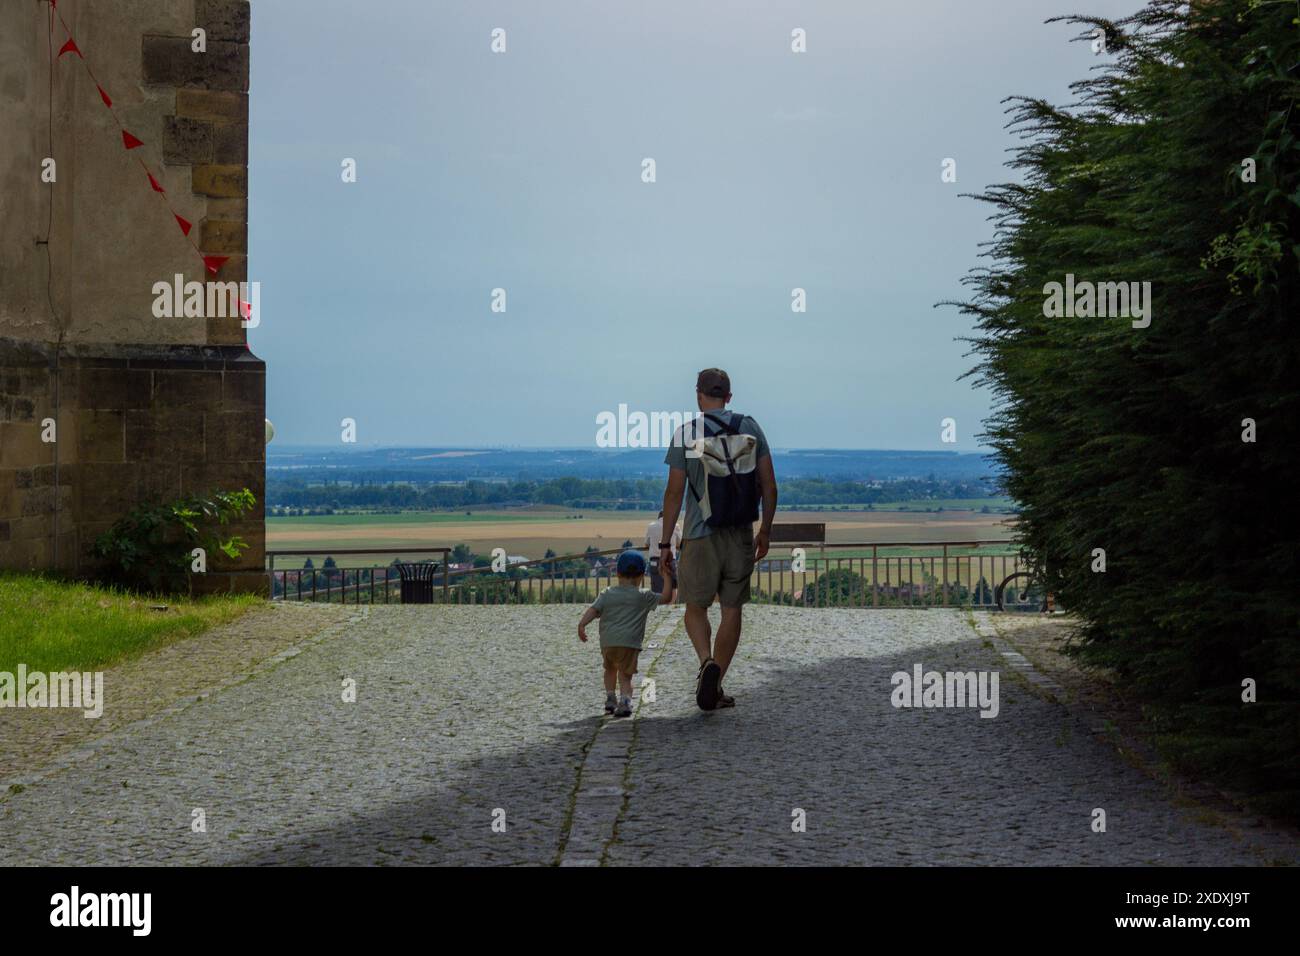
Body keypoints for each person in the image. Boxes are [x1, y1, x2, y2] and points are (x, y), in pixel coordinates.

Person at [660, 368, 777, 711]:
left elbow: (674, 492)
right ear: (729, 396)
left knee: (695, 607)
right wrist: (765, 530)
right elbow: (769, 486)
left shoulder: (687, 434)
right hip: (739, 533)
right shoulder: (750, 427)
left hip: (699, 535)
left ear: (698, 395)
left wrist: (666, 543)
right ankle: (717, 683)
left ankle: (705, 661)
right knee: (731, 609)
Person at [577, 550, 675, 718]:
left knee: (609, 670)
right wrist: (666, 576)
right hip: (630, 644)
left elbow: (593, 610)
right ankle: (625, 701)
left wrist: (582, 625)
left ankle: (610, 698)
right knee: (625, 676)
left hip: (608, 643)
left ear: (617, 572)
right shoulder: (643, 596)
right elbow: (666, 598)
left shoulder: (607, 594)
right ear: (641, 576)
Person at [643, 510, 681, 595]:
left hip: (655, 561)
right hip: (670, 560)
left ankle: (658, 606)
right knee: (673, 587)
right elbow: (680, 543)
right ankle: (671, 606)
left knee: (656, 588)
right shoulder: (675, 525)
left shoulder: (651, 526)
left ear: (658, 517)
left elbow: (646, 544)